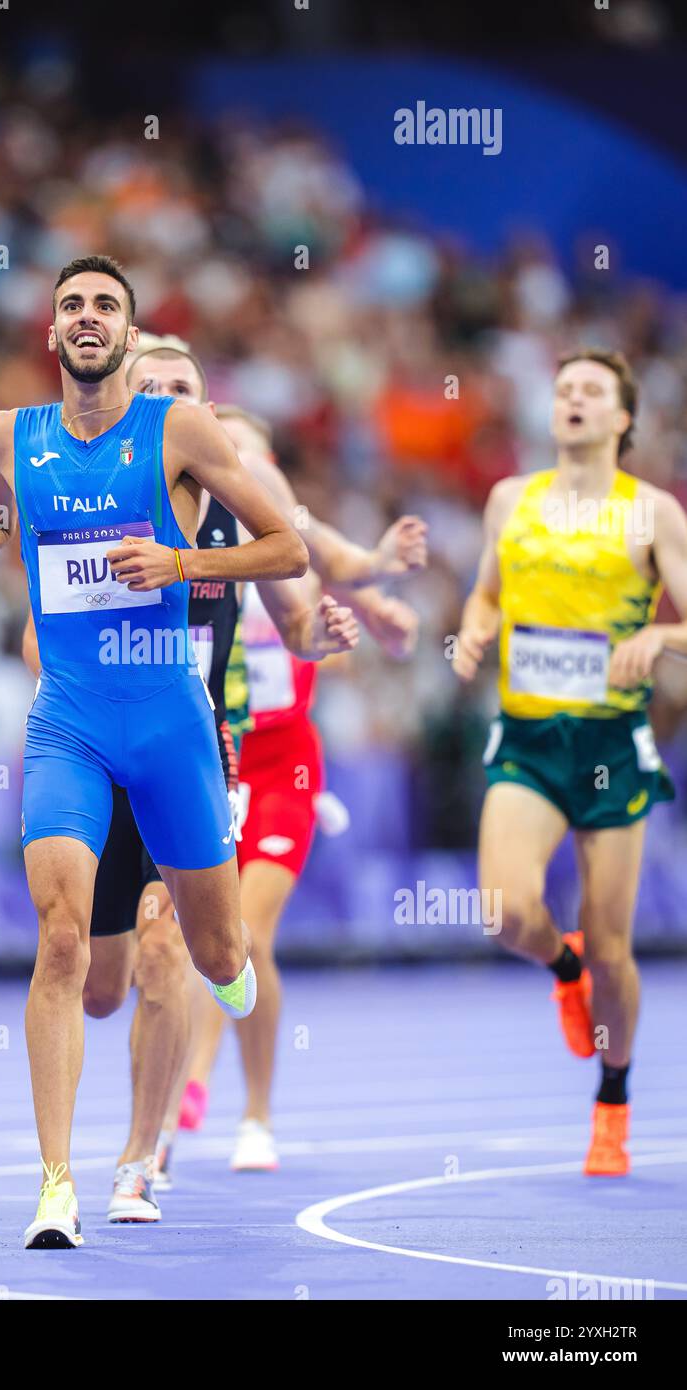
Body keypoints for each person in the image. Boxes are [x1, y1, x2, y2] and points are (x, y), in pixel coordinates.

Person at [0, 254, 310, 1248]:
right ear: (51, 334)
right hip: (71, 721)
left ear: (128, 336)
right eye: (72, 306)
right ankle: (58, 1182)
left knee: (212, 948)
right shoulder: (12, 434)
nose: (88, 318)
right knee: (64, 945)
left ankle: (221, 999)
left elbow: (288, 550)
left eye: (106, 306)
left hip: (173, 722)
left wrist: (183, 560)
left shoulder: (176, 429)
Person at [20, 334, 359, 1222]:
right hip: (95, 741)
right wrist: (67, 671)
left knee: (175, 950)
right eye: (153, 387)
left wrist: (326, 632)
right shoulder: (92, 496)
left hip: (196, 750)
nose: (170, 401)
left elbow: (295, 617)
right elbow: (34, 629)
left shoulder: (235, 506)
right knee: (97, 987)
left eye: (186, 390)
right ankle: (217, 970)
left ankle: (140, 1156)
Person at [453, 348, 687, 1176]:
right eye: (563, 390)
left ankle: (612, 1099)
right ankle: (561, 963)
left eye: (591, 391)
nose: (573, 400)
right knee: (504, 913)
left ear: (622, 417)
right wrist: (477, 625)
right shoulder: (509, 500)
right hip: (527, 739)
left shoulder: (652, 513)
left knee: (617, 947)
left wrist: (659, 635)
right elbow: (485, 590)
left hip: (609, 745)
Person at [177, 406, 427, 1172]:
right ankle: (253, 1110)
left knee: (241, 932)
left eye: (251, 456)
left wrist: (378, 588)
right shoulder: (174, 528)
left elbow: (342, 569)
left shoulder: (285, 526)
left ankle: (207, 1087)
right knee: (233, 945)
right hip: (204, 756)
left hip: (282, 761)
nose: (237, 469)